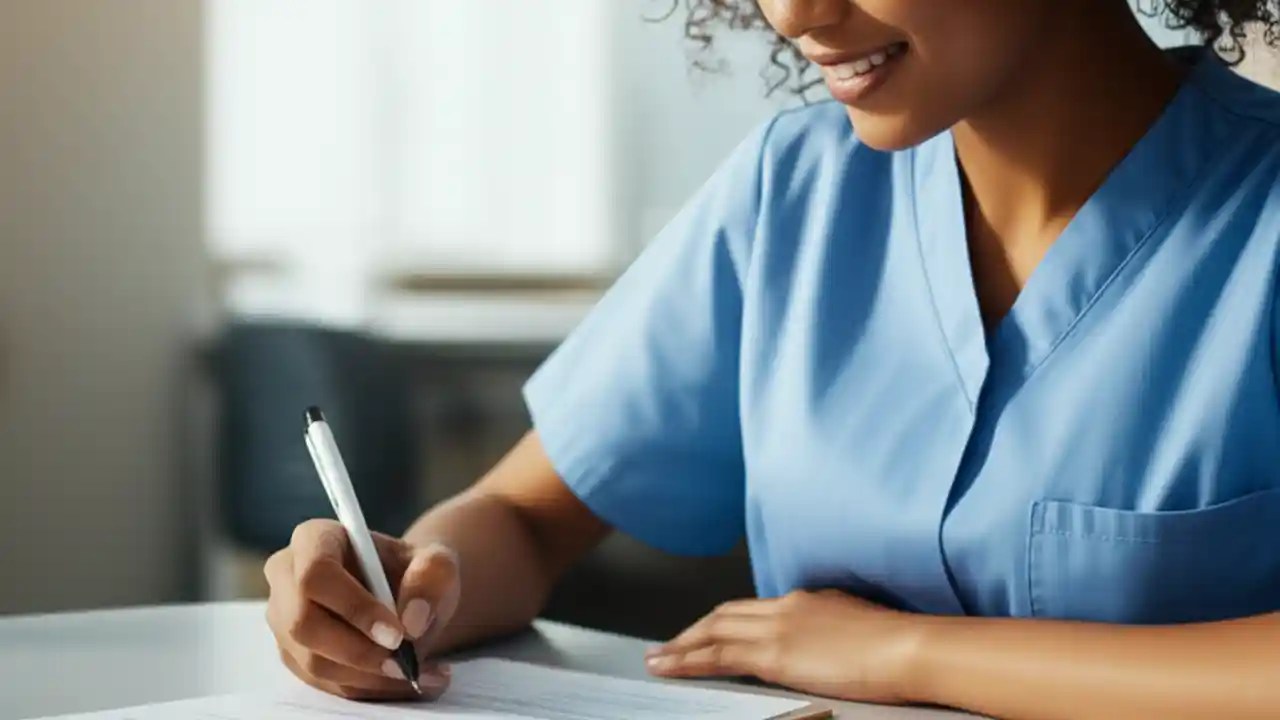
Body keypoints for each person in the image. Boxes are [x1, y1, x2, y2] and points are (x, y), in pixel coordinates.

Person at [264, 1, 1280, 717]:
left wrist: (903, 653)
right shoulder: (792, 194)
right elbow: (523, 519)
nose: (794, 13)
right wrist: (407, 592)